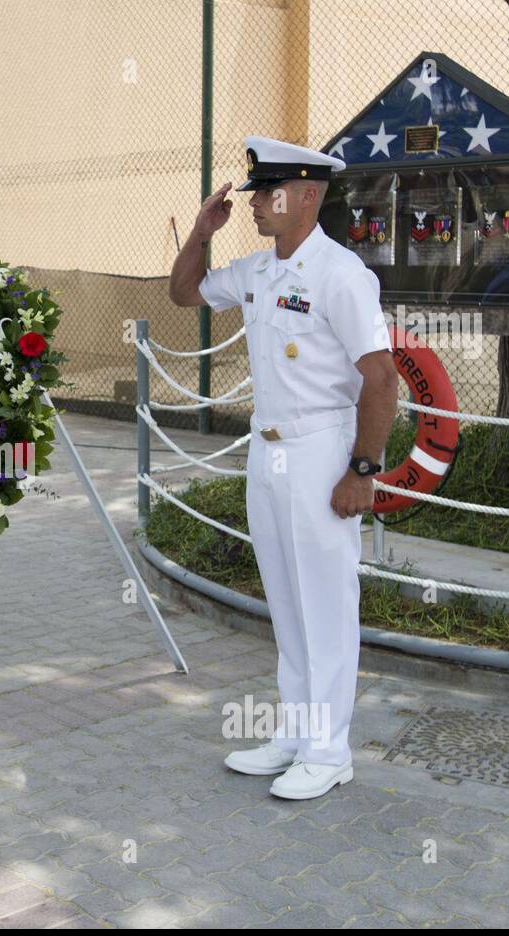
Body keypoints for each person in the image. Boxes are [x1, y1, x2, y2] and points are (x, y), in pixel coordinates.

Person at [169, 136, 398, 800]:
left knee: (326, 603)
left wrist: (362, 469)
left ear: (305, 196)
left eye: (265, 195)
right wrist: (202, 233)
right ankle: (297, 736)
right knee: (288, 602)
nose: (253, 208)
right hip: (266, 453)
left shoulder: (341, 276)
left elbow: (380, 379)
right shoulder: (259, 272)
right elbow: (185, 295)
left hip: (322, 449)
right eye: (251, 195)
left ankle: (330, 751)